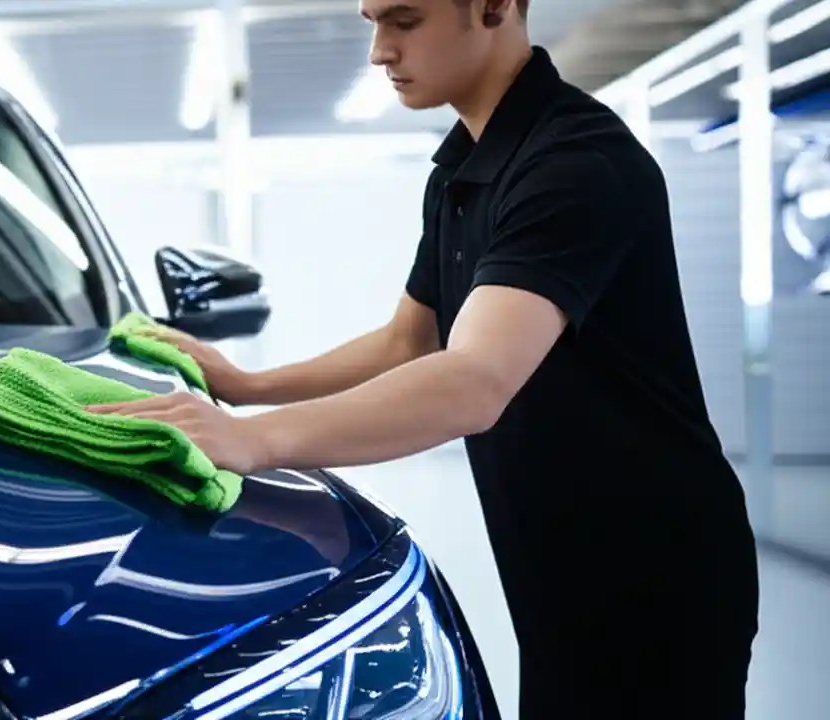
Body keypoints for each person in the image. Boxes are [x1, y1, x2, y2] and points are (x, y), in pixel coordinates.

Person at [89, 0, 760, 718]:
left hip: (655, 576)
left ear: (496, 6)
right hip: (560, 568)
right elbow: (409, 342)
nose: (380, 50)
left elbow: (475, 380)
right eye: (374, 20)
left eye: (404, 21)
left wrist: (251, 441)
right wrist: (248, 387)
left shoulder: (575, 165)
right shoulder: (461, 171)